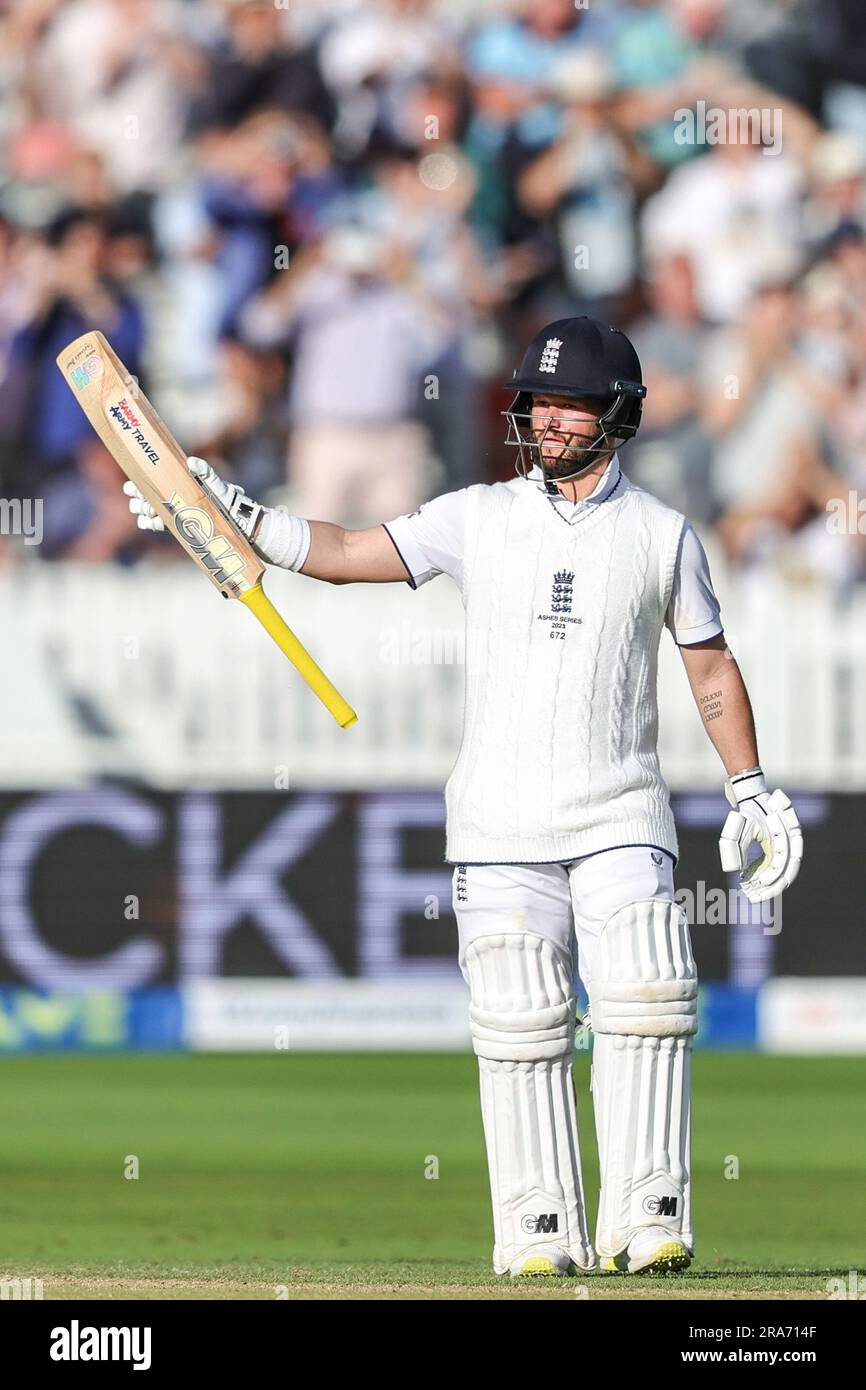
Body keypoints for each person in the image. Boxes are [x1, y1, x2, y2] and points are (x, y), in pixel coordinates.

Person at [123, 315, 803, 1278]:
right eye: (543, 402)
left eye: (572, 405)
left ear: (618, 414)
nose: (552, 420)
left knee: (647, 992)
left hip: (621, 814)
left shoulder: (662, 535)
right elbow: (350, 550)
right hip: (498, 819)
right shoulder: (475, 516)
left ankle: (648, 1217)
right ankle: (538, 1230)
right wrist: (234, 514)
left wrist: (749, 787)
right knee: (521, 1020)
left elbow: (710, 667)